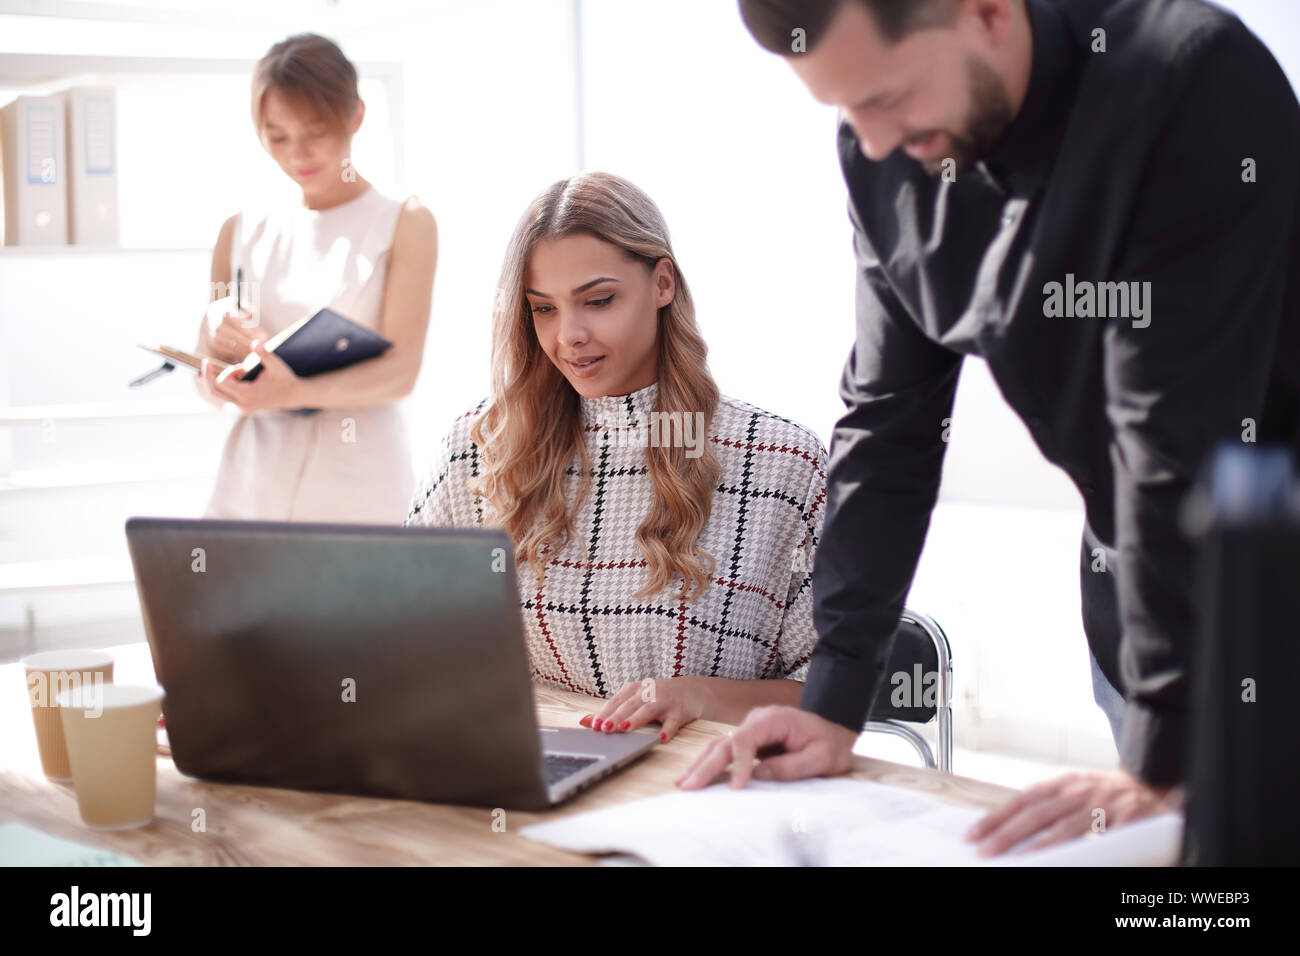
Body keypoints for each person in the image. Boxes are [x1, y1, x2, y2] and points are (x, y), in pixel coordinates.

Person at [679, 0, 1300, 856]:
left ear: (987, 12)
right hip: (1144, 604)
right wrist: (830, 701)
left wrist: (1167, 750)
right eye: (844, 110)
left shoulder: (1188, 78)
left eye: (887, 97)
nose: (870, 140)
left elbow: (1170, 434)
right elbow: (888, 421)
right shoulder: (890, 155)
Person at [404, 171, 830, 741]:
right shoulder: (478, 449)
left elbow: (832, 693)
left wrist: (698, 695)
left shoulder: (780, 463)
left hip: (706, 795)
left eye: (598, 300)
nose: (568, 336)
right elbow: (400, 639)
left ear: (663, 283)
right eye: (543, 309)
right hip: (520, 788)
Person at [195, 33, 438, 523]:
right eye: (277, 136)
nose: (297, 154)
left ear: (356, 116)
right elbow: (209, 380)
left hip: (360, 484)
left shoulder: (404, 221)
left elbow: (401, 372)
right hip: (253, 482)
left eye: (315, 131)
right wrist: (214, 331)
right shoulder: (238, 230)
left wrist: (294, 391)